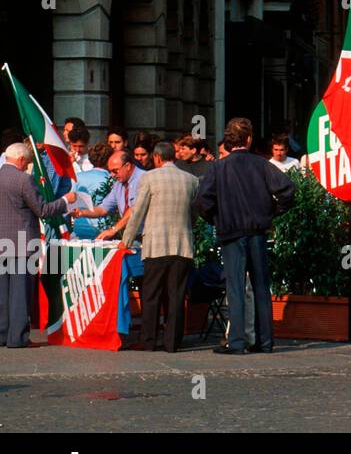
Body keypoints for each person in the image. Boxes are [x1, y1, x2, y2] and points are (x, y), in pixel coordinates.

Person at [195, 118, 295, 354]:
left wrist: (216, 219)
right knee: (261, 286)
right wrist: (271, 214)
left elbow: (202, 201)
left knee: (236, 287)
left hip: (231, 232)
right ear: (249, 139)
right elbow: (287, 190)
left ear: (230, 140)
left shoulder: (219, 167)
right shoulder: (261, 165)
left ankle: (237, 341)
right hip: (257, 231)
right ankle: (265, 341)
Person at [117, 142, 198, 353]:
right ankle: (173, 343)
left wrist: (125, 241)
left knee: (151, 295)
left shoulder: (149, 178)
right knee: (176, 296)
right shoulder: (191, 180)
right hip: (182, 246)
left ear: (157, 158)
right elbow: (194, 214)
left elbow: (138, 213)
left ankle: (149, 341)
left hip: (155, 246)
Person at [0, 143, 72, 348]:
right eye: (28, 162)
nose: (28, 166)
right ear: (21, 160)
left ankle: (2, 334)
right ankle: (18, 338)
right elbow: (42, 210)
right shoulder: (24, 179)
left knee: (3, 293)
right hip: (22, 244)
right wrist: (66, 201)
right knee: (21, 293)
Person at [70, 151, 141, 241]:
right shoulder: (119, 184)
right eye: (110, 171)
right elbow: (103, 209)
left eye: (115, 171)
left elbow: (135, 208)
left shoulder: (143, 178)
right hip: (130, 236)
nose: (112, 175)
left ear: (127, 166)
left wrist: (113, 229)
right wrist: (81, 212)